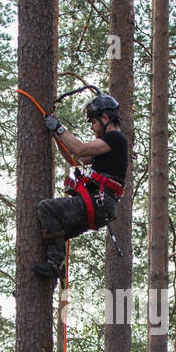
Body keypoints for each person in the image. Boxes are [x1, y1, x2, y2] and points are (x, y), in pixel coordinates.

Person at [33, 93, 129, 282]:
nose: (92, 127)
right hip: (101, 206)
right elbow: (76, 158)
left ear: (105, 118)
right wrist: (56, 135)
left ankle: (55, 264)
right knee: (54, 234)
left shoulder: (115, 138)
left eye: (93, 122)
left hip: (99, 202)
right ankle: (52, 273)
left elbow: (81, 149)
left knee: (46, 208)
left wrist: (59, 128)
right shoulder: (107, 146)